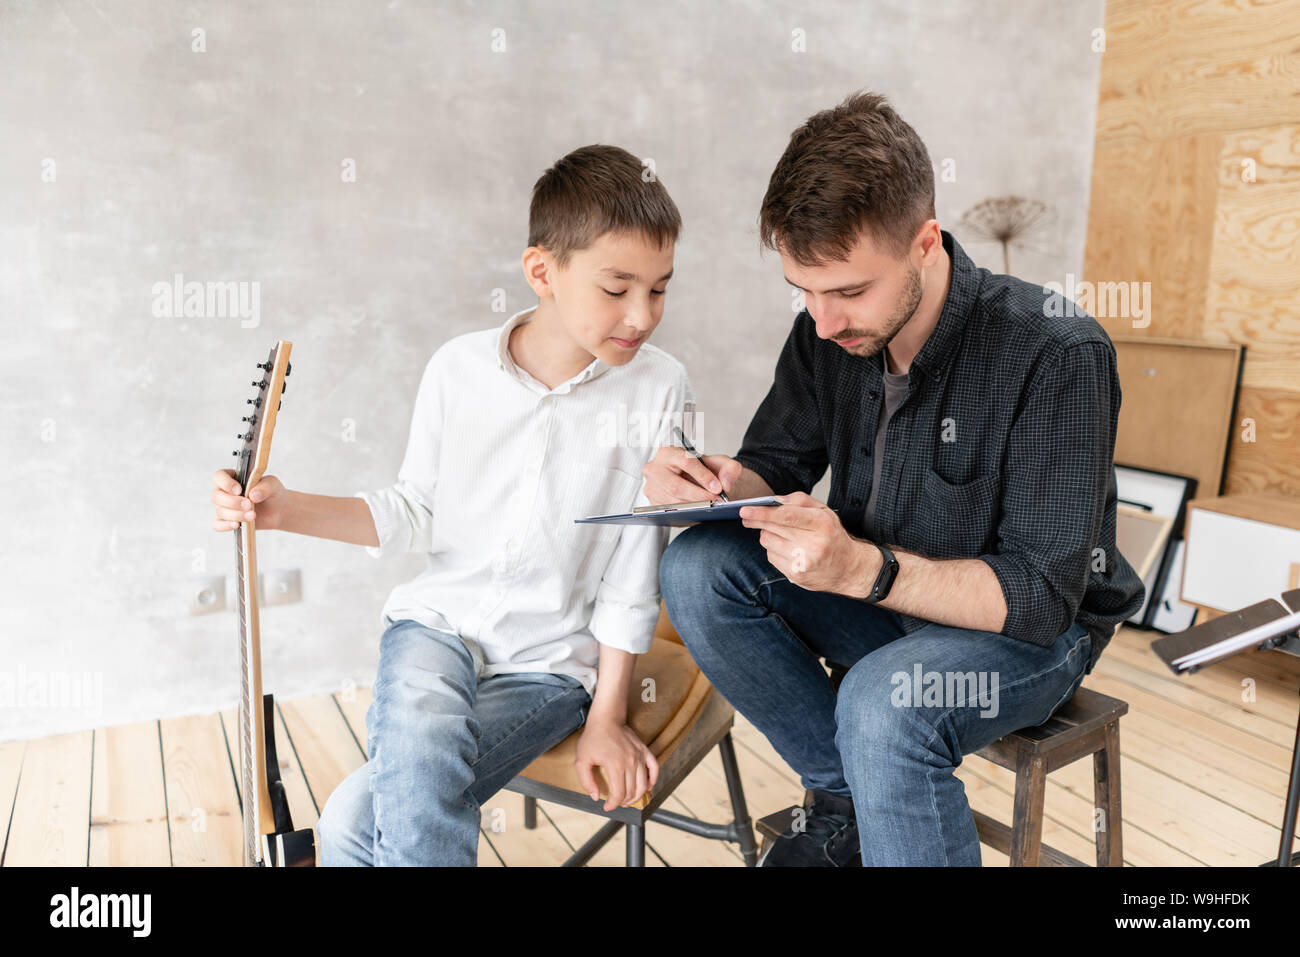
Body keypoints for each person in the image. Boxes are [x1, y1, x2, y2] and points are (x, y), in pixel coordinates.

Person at [643, 91, 1144, 866]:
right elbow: (775, 466)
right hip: (878, 595)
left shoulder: (1057, 351)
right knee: (698, 568)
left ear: (925, 241)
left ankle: (875, 782)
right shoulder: (826, 331)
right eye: (803, 292)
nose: (824, 320)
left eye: (848, 292)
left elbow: (1040, 598)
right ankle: (845, 796)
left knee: (885, 702)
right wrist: (712, 482)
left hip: (1027, 631)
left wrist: (859, 567)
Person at [210, 144, 693, 865]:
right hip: (435, 628)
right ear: (542, 273)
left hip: (549, 661)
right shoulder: (457, 369)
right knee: (401, 756)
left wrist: (607, 713)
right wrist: (286, 509)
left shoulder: (658, 386)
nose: (643, 314)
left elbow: (632, 569)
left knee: (349, 822)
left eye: (659, 289)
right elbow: (414, 509)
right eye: (617, 287)